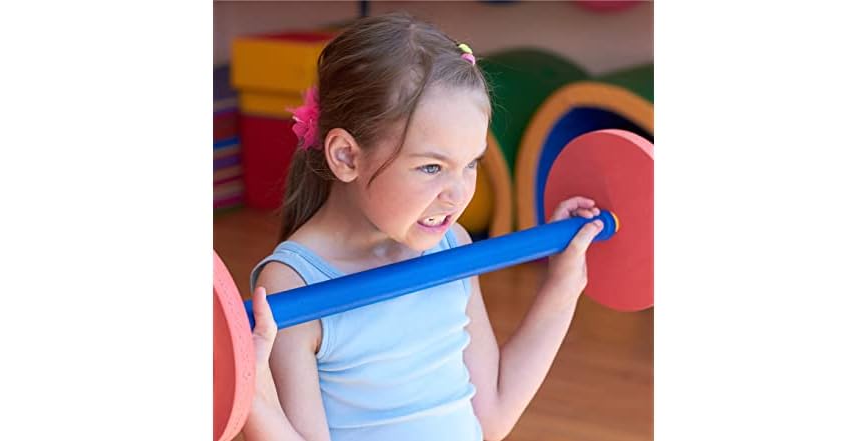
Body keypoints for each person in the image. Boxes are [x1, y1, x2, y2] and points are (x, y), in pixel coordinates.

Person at [243, 12, 604, 441]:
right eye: (432, 167)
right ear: (345, 157)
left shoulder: (452, 247)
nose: (457, 195)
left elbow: (490, 417)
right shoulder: (293, 286)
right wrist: (253, 392)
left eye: (470, 164)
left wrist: (565, 285)